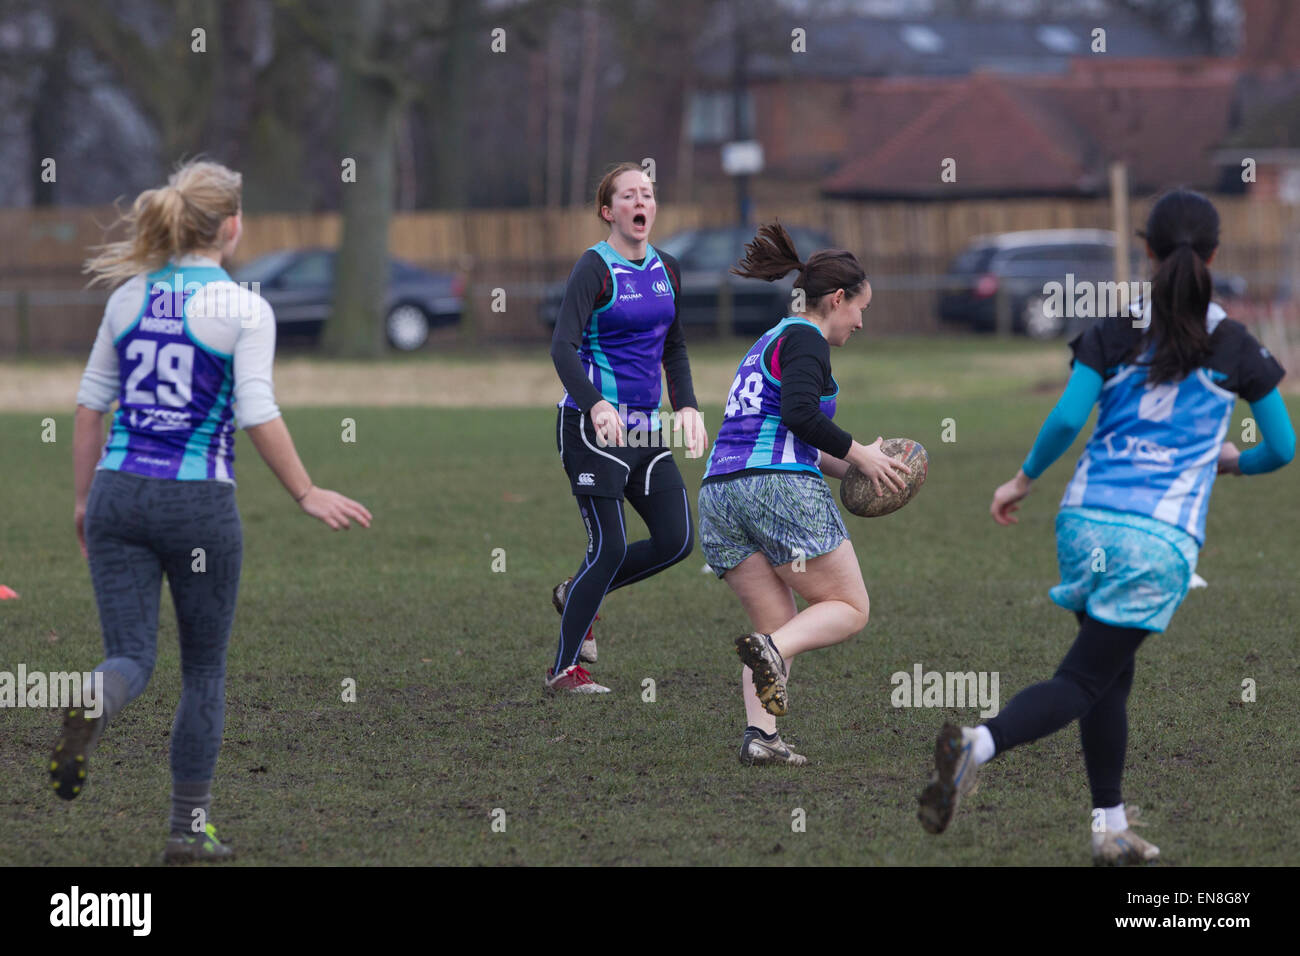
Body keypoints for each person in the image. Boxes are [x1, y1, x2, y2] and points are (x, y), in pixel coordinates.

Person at [918, 189, 1294, 864]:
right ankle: (976, 745)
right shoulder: (1234, 343)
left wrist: (1022, 479)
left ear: (1145, 251)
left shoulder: (1114, 329)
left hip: (1083, 526)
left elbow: (1067, 419)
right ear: (1213, 256)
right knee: (1086, 679)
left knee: (1107, 674)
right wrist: (1230, 463)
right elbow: (1284, 447)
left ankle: (1109, 827)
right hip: (1155, 540)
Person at [55, 159, 372, 863]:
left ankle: (94, 698)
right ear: (231, 226)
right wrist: (305, 491)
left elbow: (88, 406)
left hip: (118, 492)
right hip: (198, 504)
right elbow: (257, 409)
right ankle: (187, 833)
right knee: (203, 672)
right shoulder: (244, 308)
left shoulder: (127, 297)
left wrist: (84, 501)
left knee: (130, 655)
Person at [697, 222, 912, 764]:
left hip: (721, 495)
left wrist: (860, 467)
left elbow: (786, 431)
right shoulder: (807, 339)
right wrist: (860, 450)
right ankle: (771, 655)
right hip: (775, 490)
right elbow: (800, 414)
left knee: (777, 624)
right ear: (836, 299)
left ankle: (760, 738)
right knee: (849, 606)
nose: (861, 321)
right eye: (860, 307)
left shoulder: (769, 339)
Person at [547, 162, 708, 694]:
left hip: (646, 431)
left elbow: (675, 345)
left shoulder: (669, 268)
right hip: (592, 430)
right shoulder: (594, 268)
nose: (642, 202)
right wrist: (594, 404)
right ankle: (564, 671)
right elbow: (562, 346)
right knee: (610, 548)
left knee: (676, 539)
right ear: (608, 211)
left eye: (649, 193)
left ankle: (577, 592)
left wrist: (686, 405)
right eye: (630, 195)